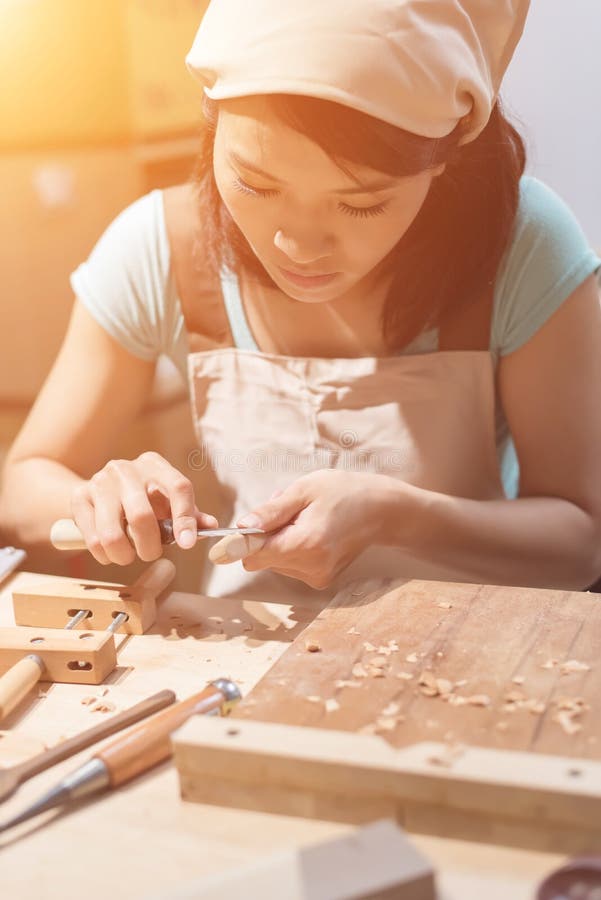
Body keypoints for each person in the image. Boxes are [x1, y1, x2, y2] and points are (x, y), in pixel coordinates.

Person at [1, 0, 600, 603]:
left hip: (470, 639)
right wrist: (100, 501)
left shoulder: (519, 244)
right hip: (245, 648)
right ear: (211, 123)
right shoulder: (162, 244)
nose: (298, 247)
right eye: (255, 183)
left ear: (443, 158)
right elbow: (21, 488)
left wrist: (397, 516)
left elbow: (583, 540)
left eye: (361, 203)